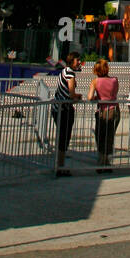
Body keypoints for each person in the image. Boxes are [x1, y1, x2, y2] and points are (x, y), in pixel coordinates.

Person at [52, 45, 82, 176]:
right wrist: (77, 96)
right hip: (63, 108)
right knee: (64, 137)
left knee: (62, 136)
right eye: (77, 60)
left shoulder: (64, 71)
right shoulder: (70, 73)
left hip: (58, 107)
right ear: (72, 61)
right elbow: (71, 92)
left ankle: (59, 164)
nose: (79, 62)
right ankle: (60, 165)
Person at [87, 58, 120, 171]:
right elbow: (114, 94)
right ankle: (106, 161)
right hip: (113, 110)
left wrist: (98, 97)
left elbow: (90, 97)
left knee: (100, 135)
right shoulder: (114, 80)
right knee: (109, 136)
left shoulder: (95, 82)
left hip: (101, 110)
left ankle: (102, 161)